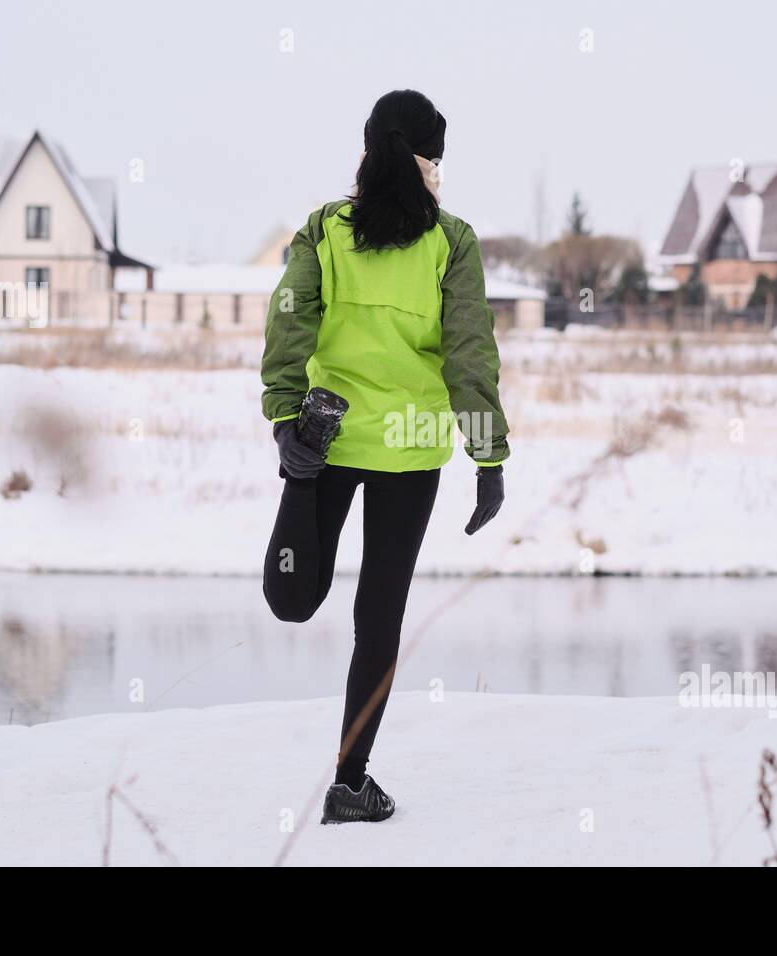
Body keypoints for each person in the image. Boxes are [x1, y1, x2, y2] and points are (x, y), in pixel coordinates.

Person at [260, 89, 510, 824]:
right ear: (431, 162)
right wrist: (488, 457)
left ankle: (299, 475)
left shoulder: (324, 229)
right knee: (380, 613)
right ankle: (350, 782)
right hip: (409, 448)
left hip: (327, 438)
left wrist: (284, 419)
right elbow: (469, 352)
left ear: (367, 152)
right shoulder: (452, 241)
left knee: (293, 597)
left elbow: (290, 320)